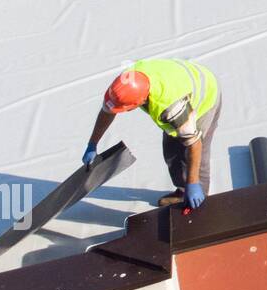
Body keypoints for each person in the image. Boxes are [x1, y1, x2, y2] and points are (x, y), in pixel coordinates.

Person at [82, 59, 221, 209]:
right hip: (181, 84)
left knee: (194, 156)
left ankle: (198, 202)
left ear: (139, 102)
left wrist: (193, 183)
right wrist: (92, 144)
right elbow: (107, 111)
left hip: (205, 96)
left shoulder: (171, 107)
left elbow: (195, 145)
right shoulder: (125, 82)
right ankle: (182, 192)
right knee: (172, 151)